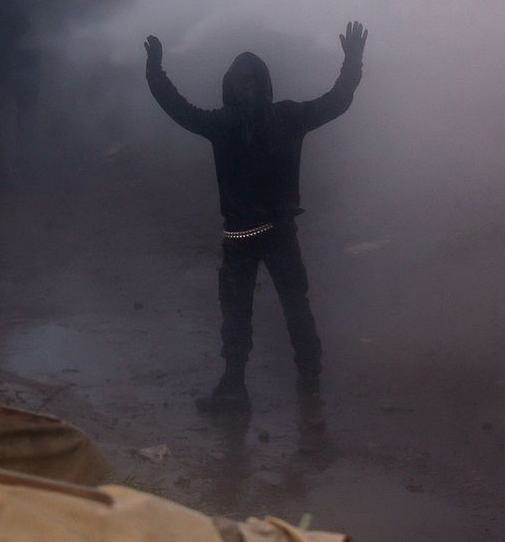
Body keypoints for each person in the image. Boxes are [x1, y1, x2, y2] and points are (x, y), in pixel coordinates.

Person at [143, 22, 368, 413]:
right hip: (281, 231)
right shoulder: (289, 117)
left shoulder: (221, 124)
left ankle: (233, 388)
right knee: (296, 305)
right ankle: (310, 381)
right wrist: (353, 60)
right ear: (267, 86)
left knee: (236, 314)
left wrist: (155, 68)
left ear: (229, 88)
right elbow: (338, 99)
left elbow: (176, 107)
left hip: (239, 236)